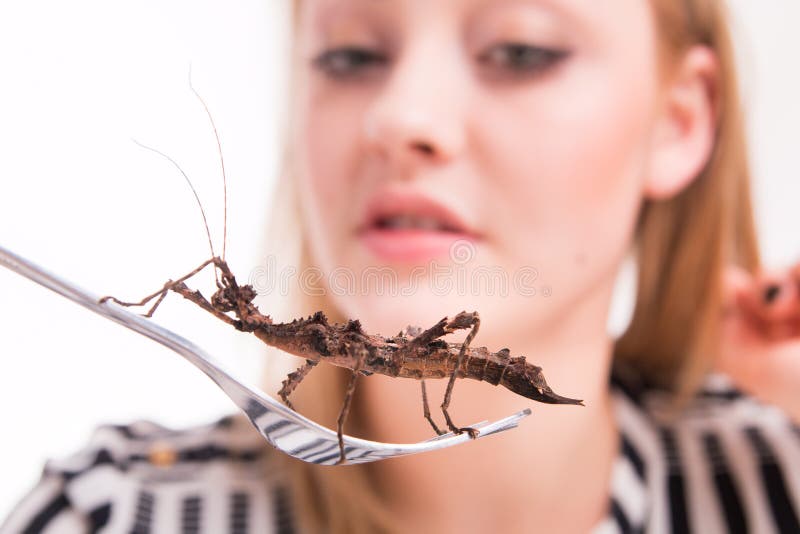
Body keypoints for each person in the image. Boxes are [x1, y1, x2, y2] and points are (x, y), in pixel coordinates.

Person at [3, 0, 799, 532]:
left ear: (679, 123)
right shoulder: (106, 511)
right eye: (349, 55)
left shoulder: (777, 479)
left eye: (520, 50)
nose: (398, 116)